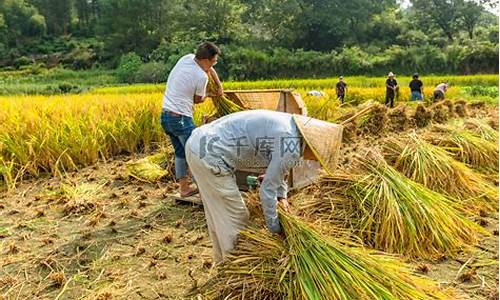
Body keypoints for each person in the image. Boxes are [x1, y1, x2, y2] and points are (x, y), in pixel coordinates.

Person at [185, 110, 342, 263]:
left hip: (199, 142)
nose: (315, 160)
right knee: (236, 218)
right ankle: (235, 266)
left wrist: (282, 197)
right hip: (210, 154)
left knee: (217, 212)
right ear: (313, 146)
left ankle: (221, 261)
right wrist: (276, 228)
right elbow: (267, 190)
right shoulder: (291, 147)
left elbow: (278, 172)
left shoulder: (291, 127)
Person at [160, 42, 223, 197]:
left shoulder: (187, 58)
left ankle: (184, 189)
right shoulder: (201, 77)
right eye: (214, 61)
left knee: (181, 153)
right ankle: (205, 193)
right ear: (206, 60)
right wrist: (212, 94)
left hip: (166, 116)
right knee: (197, 153)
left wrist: (219, 85)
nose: (214, 64)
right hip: (181, 118)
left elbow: (210, 70)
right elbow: (197, 99)